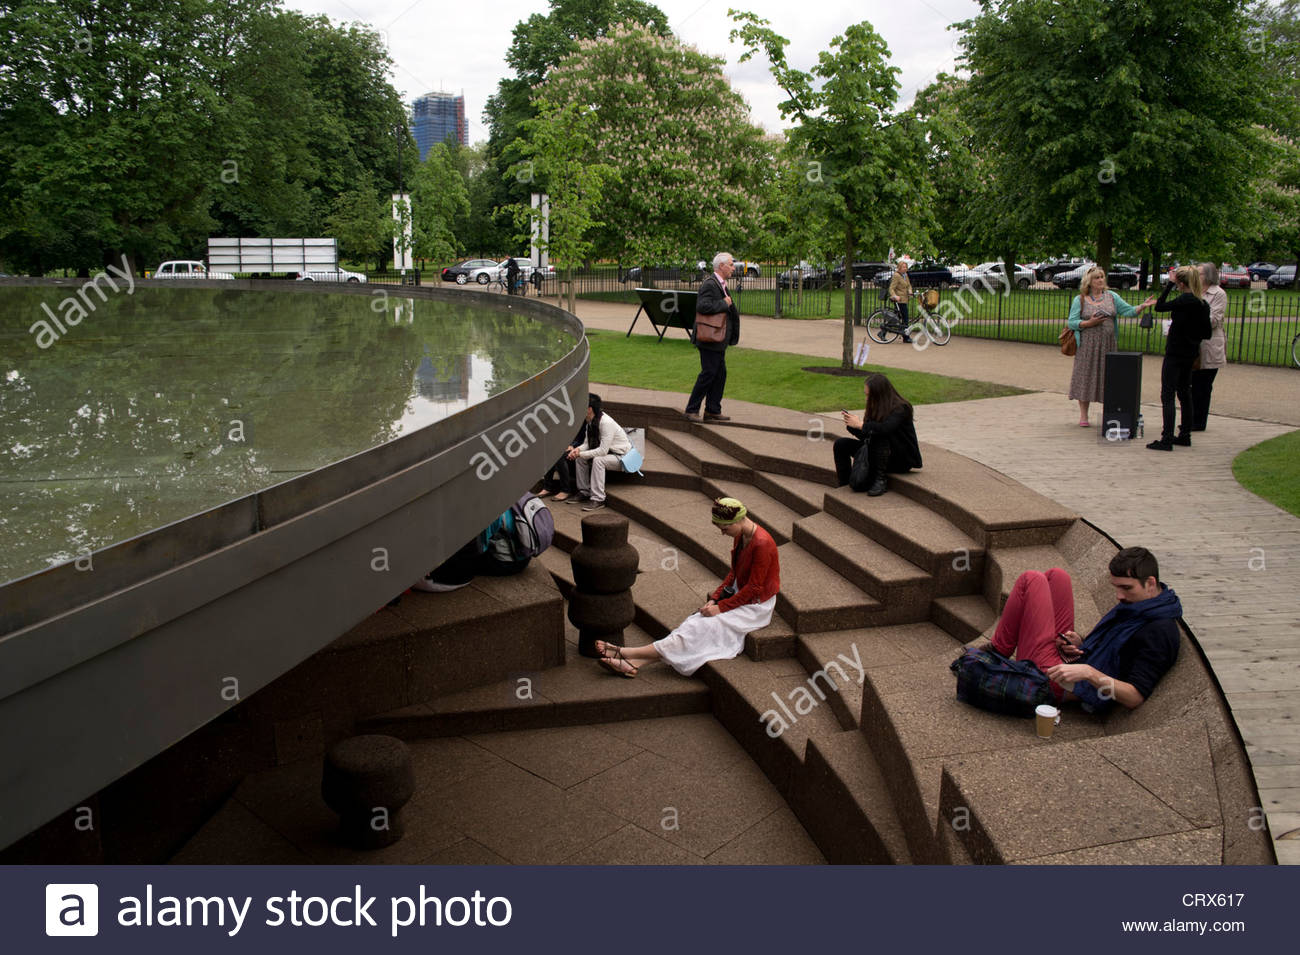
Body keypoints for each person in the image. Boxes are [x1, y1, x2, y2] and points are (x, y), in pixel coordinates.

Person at [595, 498, 779, 678]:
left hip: (756, 606)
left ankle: (625, 653)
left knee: (699, 626)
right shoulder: (741, 535)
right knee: (695, 624)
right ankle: (634, 663)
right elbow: (734, 573)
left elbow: (755, 588)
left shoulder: (762, 543)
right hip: (742, 594)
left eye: (725, 528)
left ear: (738, 520)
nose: (723, 533)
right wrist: (714, 599)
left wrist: (720, 607)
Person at [987, 547, 1182, 711]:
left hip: (1063, 685)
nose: (1119, 596)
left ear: (1150, 583)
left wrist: (1089, 673)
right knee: (1058, 576)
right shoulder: (1143, 605)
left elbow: (1134, 697)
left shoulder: (1159, 631)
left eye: (1126, 588)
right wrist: (1079, 643)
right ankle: (1001, 650)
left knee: (1030, 580)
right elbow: (1108, 648)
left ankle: (998, 652)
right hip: (1074, 662)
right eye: (1116, 587)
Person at [1066, 266, 1151, 427]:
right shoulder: (1081, 299)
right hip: (1087, 345)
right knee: (1085, 376)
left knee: (1110, 378)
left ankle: (1109, 412)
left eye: (1102, 277)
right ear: (1089, 281)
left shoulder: (1111, 296)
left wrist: (1142, 306)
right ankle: (1084, 416)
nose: (1100, 280)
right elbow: (1072, 322)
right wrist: (1089, 323)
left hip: (1108, 344)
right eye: (1097, 278)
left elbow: (1128, 311)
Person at [1142, 266, 1211, 450]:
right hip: (1190, 352)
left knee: (1168, 394)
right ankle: (1185, 434)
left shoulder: (1183, 301)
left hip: (1175, 352)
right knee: (1184, 392)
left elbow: (1159, 306)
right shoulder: (1202, 304)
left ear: (1180, 283)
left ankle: (1167, 438)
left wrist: (1169, 286)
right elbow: (1207, 333)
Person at [833, 373, 923, 496]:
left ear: (880, 395)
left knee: (880, 437)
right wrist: (852, 426)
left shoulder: (901, 408)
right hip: (877, 454)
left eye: (869, 395)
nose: (866, 399)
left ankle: (880, 480)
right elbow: (868, 437)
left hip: (900, 458)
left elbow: (885, 429)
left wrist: (861, 425)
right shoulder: (874, 407)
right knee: (841, 444)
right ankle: (844, 483)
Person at [683, 252, 740, 422]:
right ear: (721, 266)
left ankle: (713, 410)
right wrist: (724, 303)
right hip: (710, 338)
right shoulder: (710, 284)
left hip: (718, 339)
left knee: (719, 374)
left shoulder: (720, 283)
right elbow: (702, 306)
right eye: (730, 264)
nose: (733, 267)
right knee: (709, 373)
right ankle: (692, 409)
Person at [568, 393, 632, 512]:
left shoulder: (605, 423)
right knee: (580, 458)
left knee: (598, 460)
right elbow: (587, 443)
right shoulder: (590, 420)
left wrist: (580, 453)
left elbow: (602, 451)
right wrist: (578, 450)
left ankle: (598, 499)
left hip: (622, 456)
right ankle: (584, 491)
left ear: (589, 409)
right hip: (609, 453)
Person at [1191, 262, 1227, 431]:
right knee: (1190, 384)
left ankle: (1199, 421)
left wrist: (1191, 322)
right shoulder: (1194, 292)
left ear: (1208, 276)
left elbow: (1214, 320)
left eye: (1199, 274)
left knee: (1203, 386)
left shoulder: (1219, 294)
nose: (1196, 277)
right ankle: (1190, 418)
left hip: (1210, 345)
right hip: (1192, 345)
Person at [538, 421, 587, 502]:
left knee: (559, 456)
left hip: (581, 449)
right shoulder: (570, 416)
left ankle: (565, 490)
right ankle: (547, 487)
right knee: (550, 451)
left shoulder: (585, 420)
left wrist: (573, 446)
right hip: (570, 445)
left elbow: (585, 440)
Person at [887, 259, 915, 344]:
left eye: (906, 267)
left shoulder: (905, 275)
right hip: (899, 300)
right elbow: (891, 288)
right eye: (903, 267)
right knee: (905, 318)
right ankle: (906, 337)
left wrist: (910, 291)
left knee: (896, 318)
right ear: (899, 268)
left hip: (905, 299)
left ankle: (882, 332)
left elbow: (909, 285)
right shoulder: (896, 276)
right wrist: (895, 296)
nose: (905, 268)